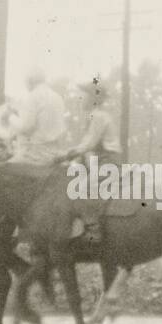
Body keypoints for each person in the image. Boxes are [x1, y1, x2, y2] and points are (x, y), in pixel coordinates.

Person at [62, 75, 122, 243]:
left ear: (94, 98)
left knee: (82, 188)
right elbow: (85, 146)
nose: (82, 98)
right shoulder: (94, 116)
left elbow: (88, 144)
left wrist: (65, 155)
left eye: (85, 95)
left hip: (108, 160)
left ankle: (93, 229)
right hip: (101, 159)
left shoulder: (98, 116)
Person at [0, 67, 67, 166]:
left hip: (34, 155)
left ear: (29, 81)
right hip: (54, 152)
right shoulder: (57, 97)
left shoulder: (33, 96)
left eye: (25, 82)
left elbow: (25, 127)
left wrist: (9, 116)